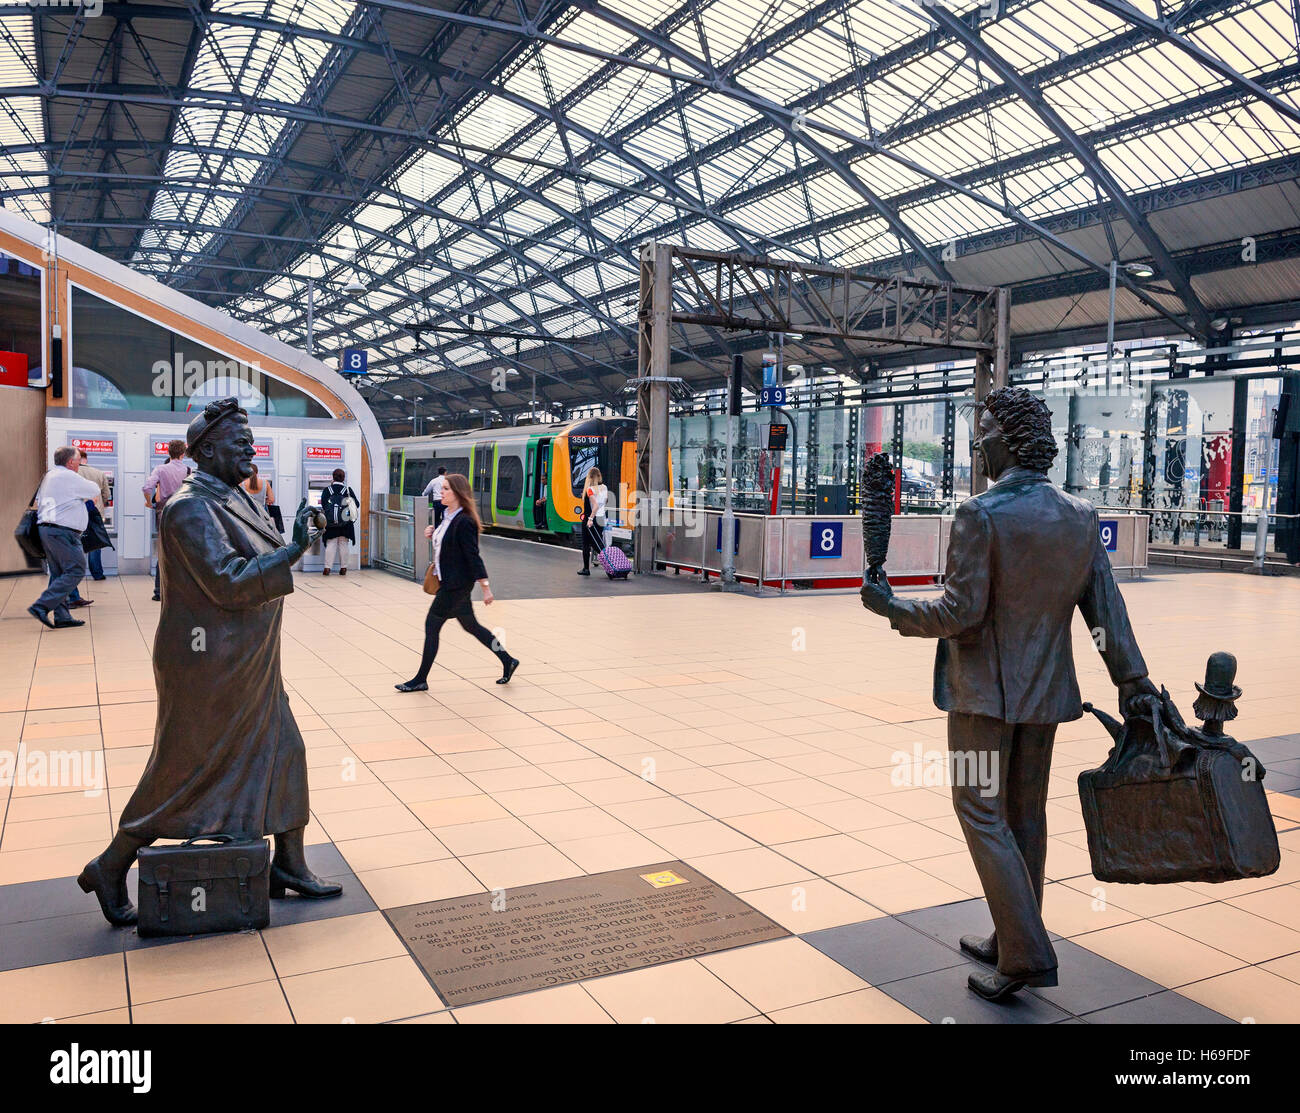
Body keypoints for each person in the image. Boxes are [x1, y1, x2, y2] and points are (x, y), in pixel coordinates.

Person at [859, 386, 1157, 1003]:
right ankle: (1013, 930)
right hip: (1045, 696)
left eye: (985, 430)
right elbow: (1105, 612)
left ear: (1010, 439)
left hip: (982, 698)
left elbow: (960, 612)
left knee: (978, 810)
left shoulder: (981, 514)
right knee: (1026, 815)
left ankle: (1024, 951)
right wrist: (1132, 681)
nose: (978, 441)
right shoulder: (1079, 516)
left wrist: (893, 608)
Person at [78, 398, 340, 928]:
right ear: (207, 450)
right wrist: (291, 552)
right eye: (240, 442)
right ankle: (109, 866)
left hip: (248, 657)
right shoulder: (190, 508)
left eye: (252, 441)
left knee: (284, 747)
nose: (250, 449)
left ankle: (288, 864)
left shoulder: (232, 498)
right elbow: (229, 581)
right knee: (186, 769)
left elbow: (255, 562)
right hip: (208, 664)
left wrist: (295, 542)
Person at [396, 473, 519, 692]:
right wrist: (433, 533)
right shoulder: (448, 515)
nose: (441, 492)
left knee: (431, 625)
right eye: (442, 488)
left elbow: (473, 555)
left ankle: (420, 679)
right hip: (450, 582)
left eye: (446, 489)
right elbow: (447, 543)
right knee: (472, 626)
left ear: (457, 493)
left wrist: (485, 587)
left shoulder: (465, 521)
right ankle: (508, 660)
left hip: (456, 585)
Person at [28, 446, 101, 629]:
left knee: (59, 573)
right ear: (70, 462)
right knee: (76, 569)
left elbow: (41, 500)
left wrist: (77, 499)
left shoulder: (50, 475)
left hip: (49, 530)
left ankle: (62, 616)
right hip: (63, 532)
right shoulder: (68, 476)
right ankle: (41, 606)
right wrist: (83, 499)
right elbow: (94, 489)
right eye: (78, 461)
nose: (79, 465)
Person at [142, 439, 190, 601]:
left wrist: (149, 503)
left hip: (164, 512)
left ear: (168, 452)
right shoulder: (189, 470)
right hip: (184, 513)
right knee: (183, 551)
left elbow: (147, 487)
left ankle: (159, 591)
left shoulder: (161, 469)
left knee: (164, 549)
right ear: (183, 454)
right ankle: (180, 591)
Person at [78, 448, 111, 582]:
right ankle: (97, 574)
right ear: (86, 459)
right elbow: (107, 495)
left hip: (77, 513)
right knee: (94, 543)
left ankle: (75, 573)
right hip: (95, 513)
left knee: (75, 542)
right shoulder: (99, 473)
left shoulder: (73, 473)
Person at [319, 468, 357, 575]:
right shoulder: (348, 490)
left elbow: (323, 504)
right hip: (345, 522)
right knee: (343, 544)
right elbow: (356, 504)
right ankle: (343, 568)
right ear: (343, 478)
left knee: (331, 544)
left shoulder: (328, 490)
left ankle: (327, 568)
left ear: (333, 477)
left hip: (331, 523)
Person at [577, 466, 609, 576]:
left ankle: (587, 569)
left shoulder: (589, 490)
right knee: (598, 543)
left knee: (588, 544)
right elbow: (604, 501)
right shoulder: (604, 488)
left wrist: (590, 519)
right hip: (601, 518)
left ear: (589, 477)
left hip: (591, 518)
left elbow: (594, 506)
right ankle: (610, 566)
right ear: (599, 476)